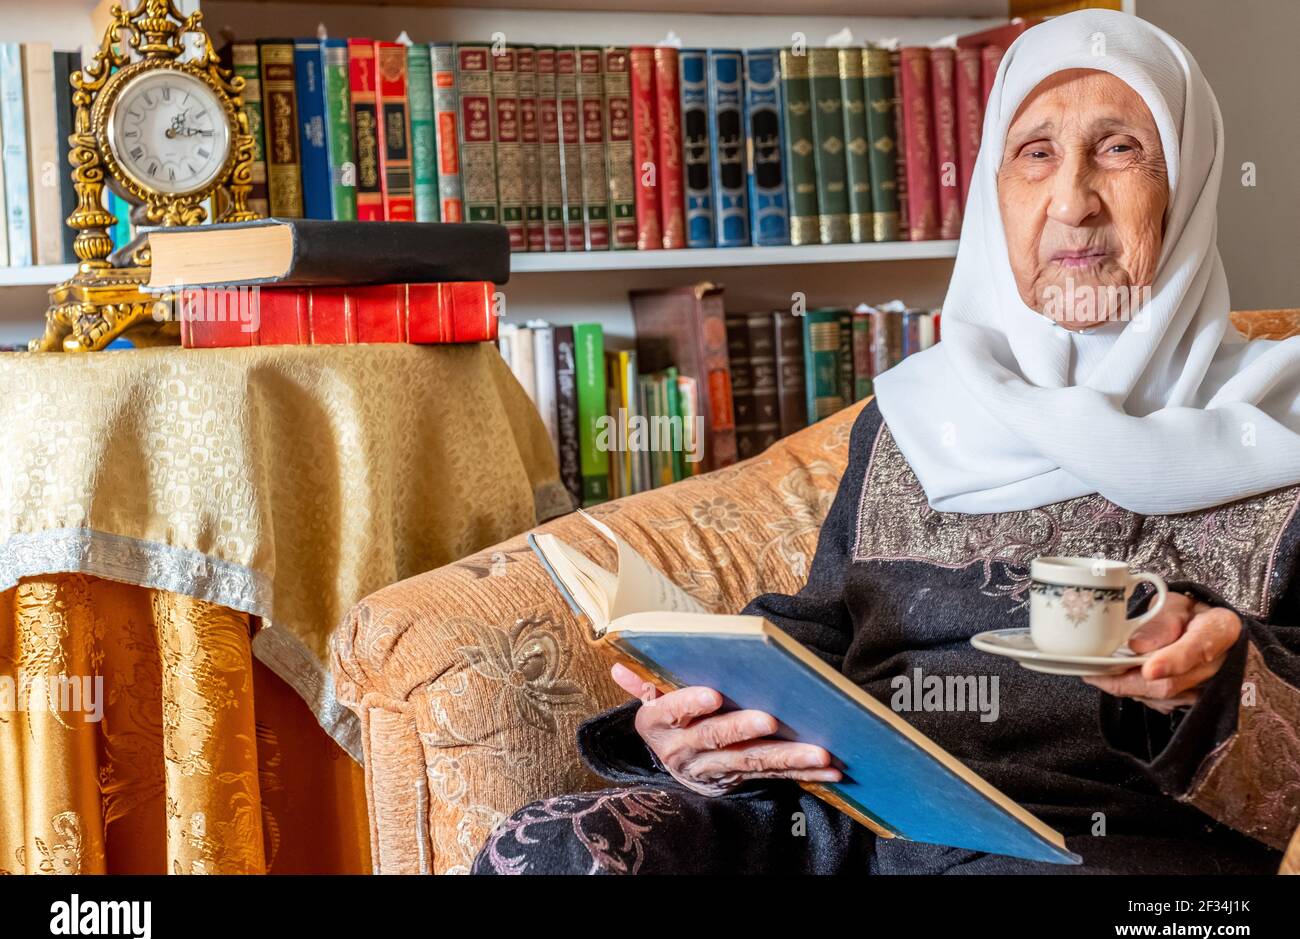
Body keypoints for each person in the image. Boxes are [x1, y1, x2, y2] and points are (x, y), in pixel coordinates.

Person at [473, 9, 1300, 875]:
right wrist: (693, 721)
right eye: (1036, 154)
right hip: (844, 823)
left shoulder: (1276, 425)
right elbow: (819, 635)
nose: (1072, 200)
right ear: (994, 190)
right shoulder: (919, 413)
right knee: (558, 852)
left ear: (1191, 180)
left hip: (1101, 842)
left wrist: (1219, 681)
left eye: (1120, 149)